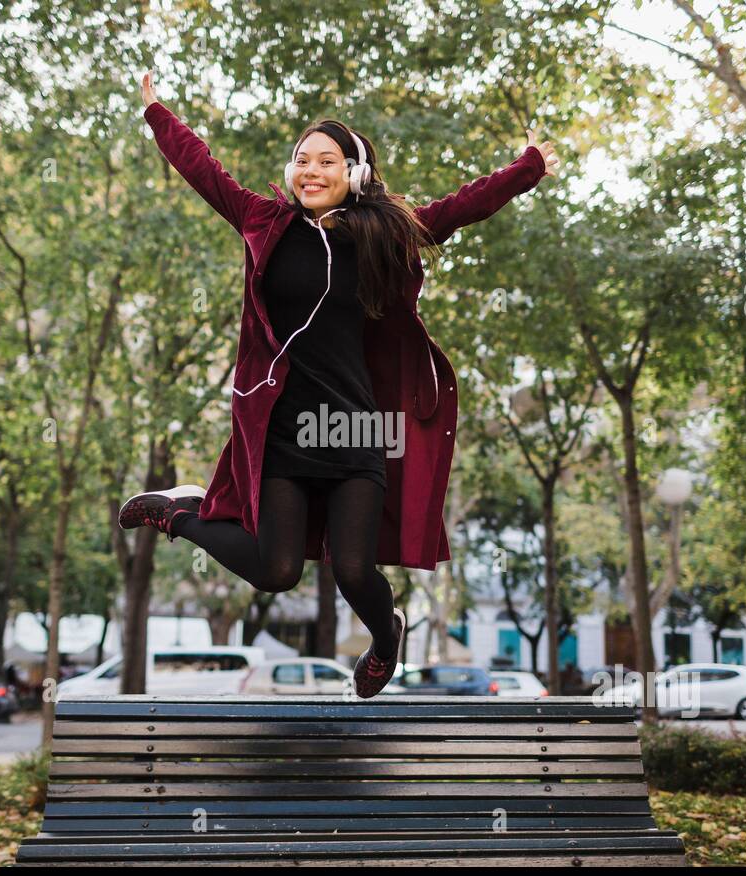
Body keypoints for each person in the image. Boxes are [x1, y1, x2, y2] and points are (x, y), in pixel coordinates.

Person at [121, 71, 559, 698]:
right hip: (283, 428)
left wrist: (529, 166)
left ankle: (387, 639)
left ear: (354, 173)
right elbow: (205, 171)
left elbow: (462, 208)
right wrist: (158, 113)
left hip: (355, 427)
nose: (310, 170)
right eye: (302, 160)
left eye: (327, 160)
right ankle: (181, 513)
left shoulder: (383, 233)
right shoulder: (264, 221)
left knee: (355, 570)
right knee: (274, 571)